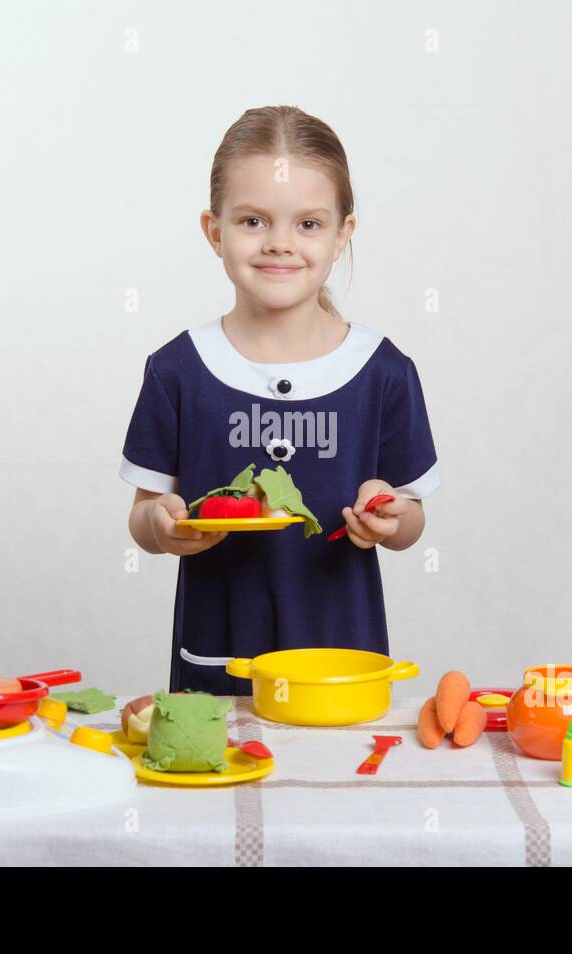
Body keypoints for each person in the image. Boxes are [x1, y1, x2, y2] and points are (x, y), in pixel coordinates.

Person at [120, 105, 440, 695]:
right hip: (219, 660)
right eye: (252, 221)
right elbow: (145, 514)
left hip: (340, 663)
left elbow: (412, 517)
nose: (280, 244)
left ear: (344, 232)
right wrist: (161, 528)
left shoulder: (383, 373)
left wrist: (388, 518)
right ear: (213, 230)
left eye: (309, 225)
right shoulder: (177, 370)